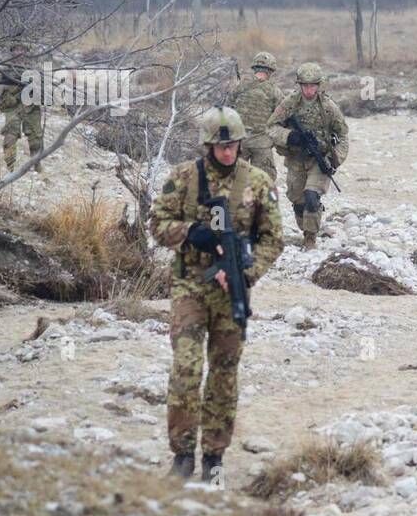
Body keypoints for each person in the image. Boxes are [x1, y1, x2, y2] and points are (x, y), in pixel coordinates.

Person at [148, 106, 283, 482]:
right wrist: (191, 232)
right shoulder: (184, 178)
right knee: (186, 369)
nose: (228, 153)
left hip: (232, 290)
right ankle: (182, 454)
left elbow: (274, 239)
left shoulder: (257, 182)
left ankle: (214, 454)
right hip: (190, 285)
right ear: (208, 146)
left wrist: (246, 271)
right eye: (221, 147)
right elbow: (157, 224)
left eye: (234, 146)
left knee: (224, 372)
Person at [267, 62, 349, 249]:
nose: (309, 90)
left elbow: (343, 135)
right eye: (305, 85)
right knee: (298, 201)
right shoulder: (290, 103)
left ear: (319, 85)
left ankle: (310, 238)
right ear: (300, 85)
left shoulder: (328, 107)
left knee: (312, 197)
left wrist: (334, 159)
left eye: (313, 85)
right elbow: (270, 127)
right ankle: (306, 229)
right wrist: (290, 137)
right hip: (296, 159)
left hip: (319, 160)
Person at [229, 50, 284, 181]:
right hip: (262, 145)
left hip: (239, 142)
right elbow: (282, 118)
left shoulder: (239, 87)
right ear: (271, 71)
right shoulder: (274, 91)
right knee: (263, 184)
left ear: (254, 68)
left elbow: (227, 111)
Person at [0, 48, 43, 173]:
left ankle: (37, 165)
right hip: (13, 106)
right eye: (16, 50)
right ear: (12, 52)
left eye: (22, 50)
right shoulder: (6, 69)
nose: (19, 52)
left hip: (31, 106)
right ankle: (10, 167)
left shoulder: (35, 69)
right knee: (10, 136)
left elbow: (43, 88)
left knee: (35, 139)